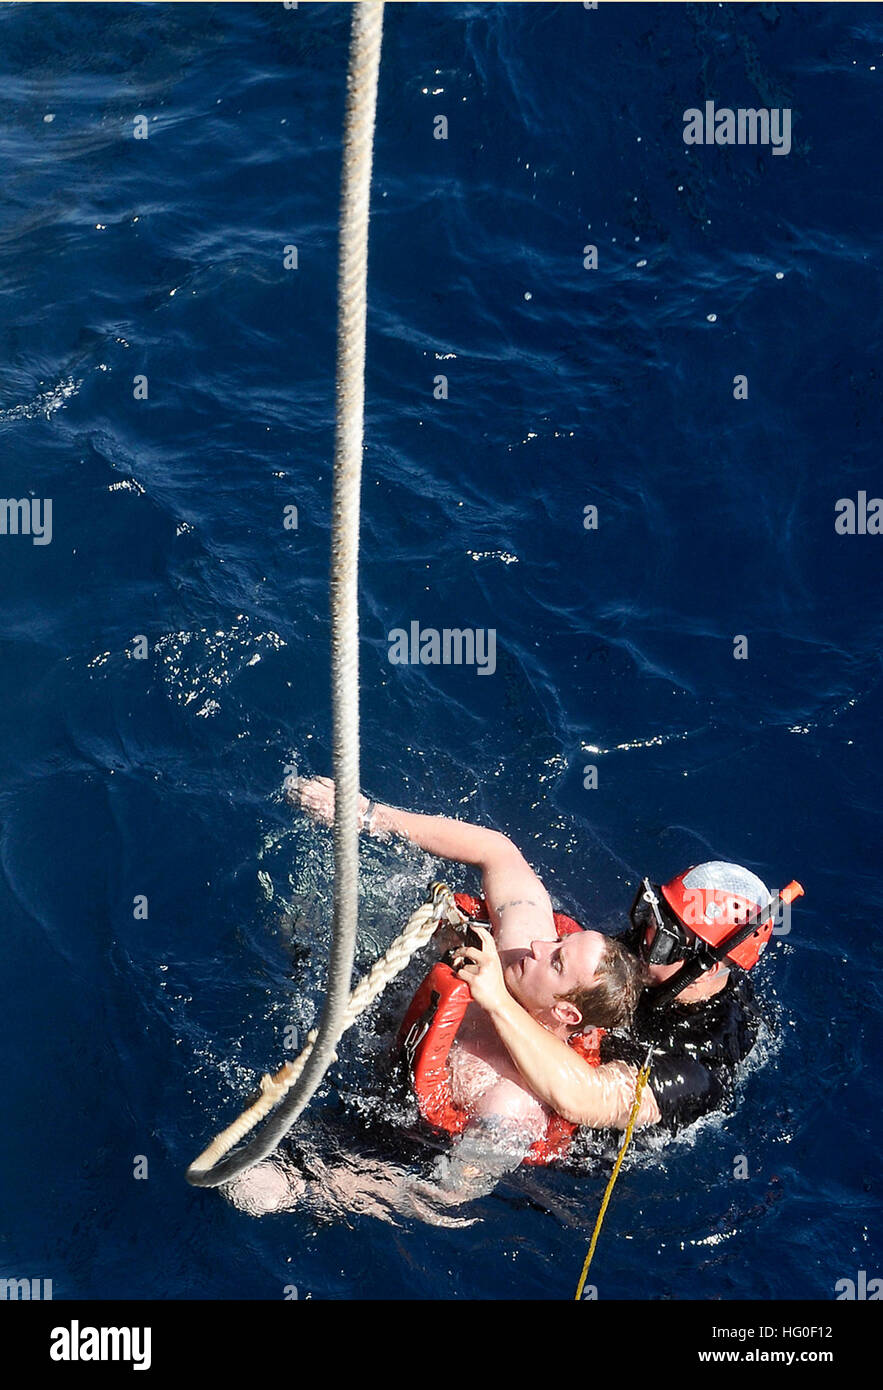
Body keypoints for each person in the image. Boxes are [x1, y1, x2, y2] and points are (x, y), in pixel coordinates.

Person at [224, 777, 646, 1219]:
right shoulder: (523, 943)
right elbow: (498, 850)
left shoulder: (513, 1104)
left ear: (565, 1011)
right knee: (292, 920)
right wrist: (367, 815)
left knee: (256, 1192)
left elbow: (449, 1194)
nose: (542, 946)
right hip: (394, 1020)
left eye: (556, 962)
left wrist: (320, 1185)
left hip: (401, 1133)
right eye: (559, 943)